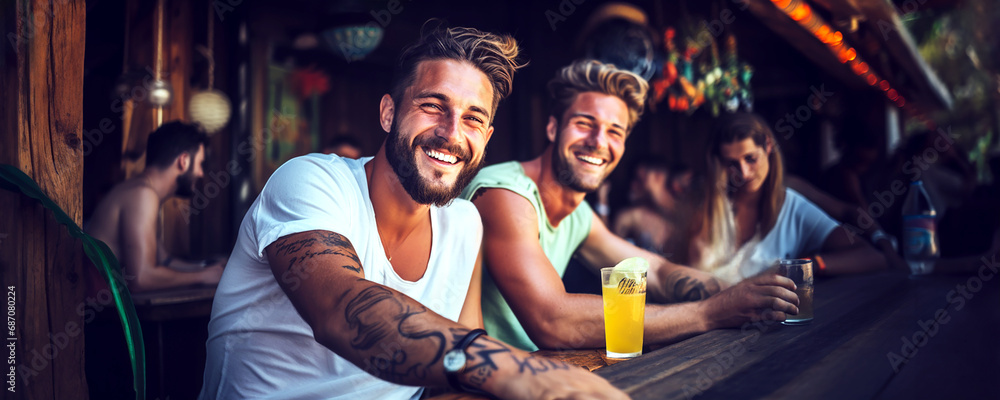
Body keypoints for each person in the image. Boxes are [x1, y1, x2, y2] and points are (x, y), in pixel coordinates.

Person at [200, 25, 626, 400]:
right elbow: (341, 310)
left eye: (473, 119)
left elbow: (455, 376)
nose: (451, 133)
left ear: (487, 137)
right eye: (433, 106)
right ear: (389, 113)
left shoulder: (464, 223)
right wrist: (518, 370)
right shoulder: (311, 181)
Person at [461, 60, 800, 352]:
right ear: (553, 127)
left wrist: (745, 294)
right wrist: (709, 313)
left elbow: (657, 272)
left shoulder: (578, 215)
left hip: (534, 373)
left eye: (614, 131)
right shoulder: (504, 193)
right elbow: (553, 320)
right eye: (584, 123)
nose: (598, 142)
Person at [689, 112, 887, 285]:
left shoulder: (793, 205)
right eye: (732, 163)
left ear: (768, 146)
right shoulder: (706, 205)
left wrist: (809, 265)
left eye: (751, 159)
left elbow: (872, 257)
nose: (744, 173)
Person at [85, 121, 226, 293]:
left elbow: (164, 260)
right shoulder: (142, 194)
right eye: (200, 164)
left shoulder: (141, 191)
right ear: (184, 161)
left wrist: (208, 267)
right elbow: (141, 278)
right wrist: (202, 277)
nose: (201, 173)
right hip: (101, 308)